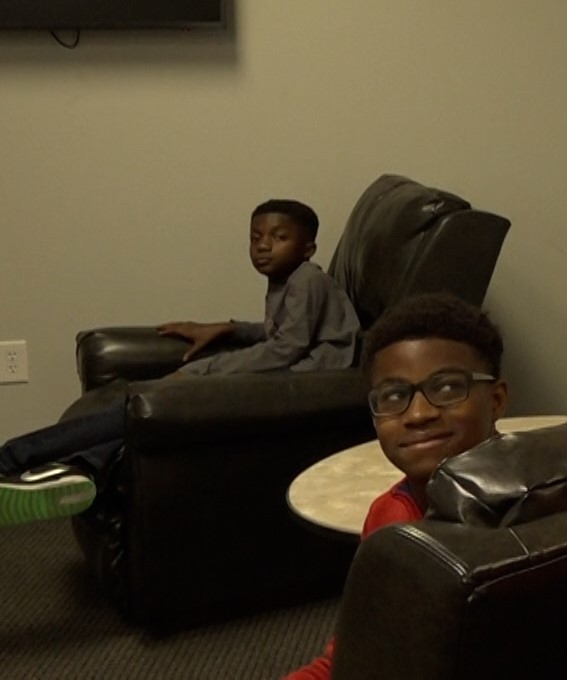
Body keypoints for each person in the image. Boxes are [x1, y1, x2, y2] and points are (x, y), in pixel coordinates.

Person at [0, 199, 359, 525]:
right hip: (292, 375)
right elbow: (284, 333)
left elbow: (286, 348)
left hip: (304, 386)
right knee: (141, 417)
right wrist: (228, 328)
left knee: (146, 405)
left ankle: (14, 458)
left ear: (308, 248)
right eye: (255, 237)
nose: (263, 245)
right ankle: (81, 471)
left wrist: (199, 370)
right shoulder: (288, 279)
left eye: (278, 237)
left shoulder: (307, 280)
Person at [284, 291, 508, 680]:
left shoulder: (541, 507)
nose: (419, 414)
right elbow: (356, 651)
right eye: (393, 396)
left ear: (497, 399)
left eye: (449, 387)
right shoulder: (387, 520)